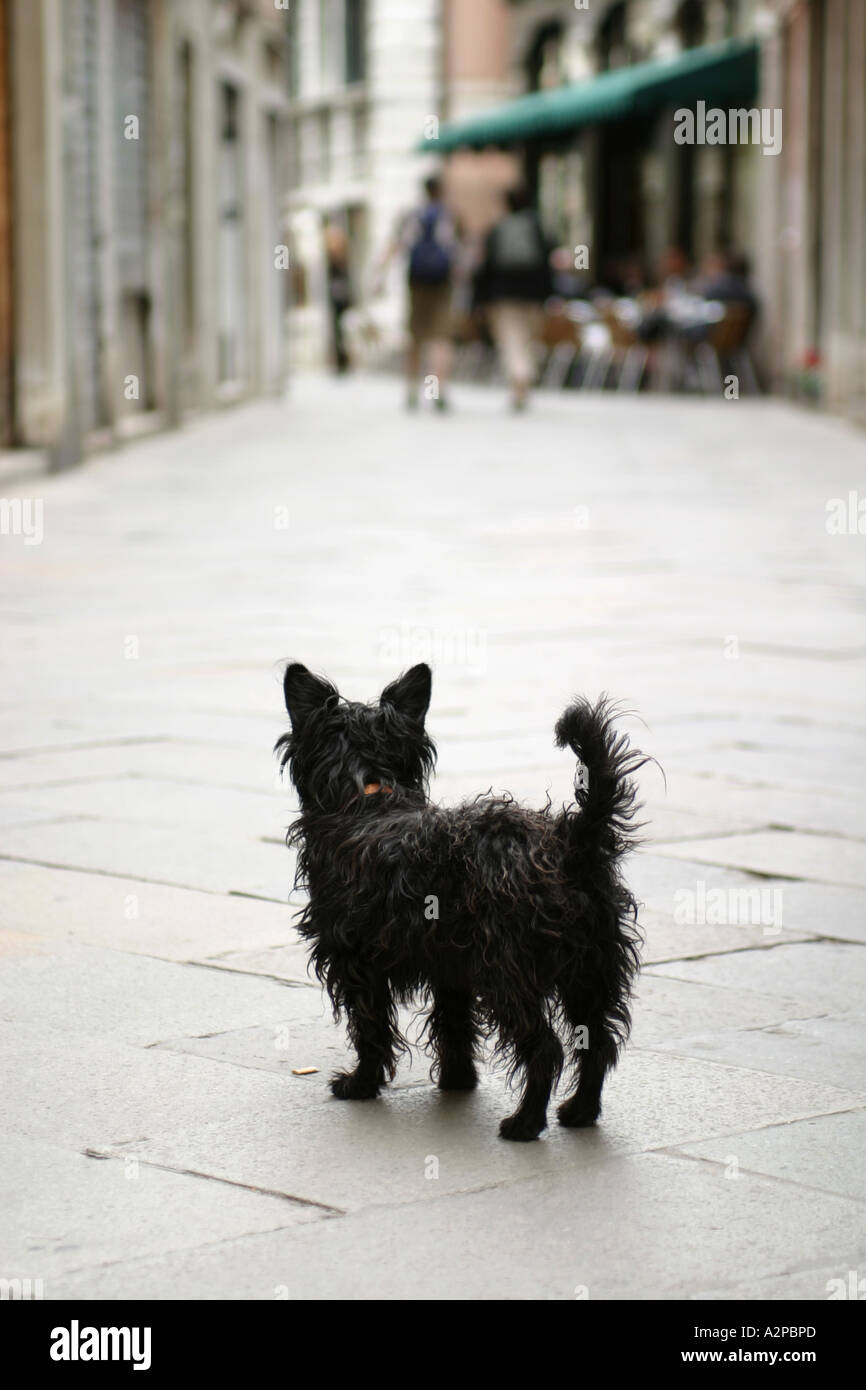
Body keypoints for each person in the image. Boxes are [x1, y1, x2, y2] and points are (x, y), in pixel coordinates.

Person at [473, 185, 553, 411]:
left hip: (504, 292)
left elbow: (485, 267)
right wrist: (549, 294)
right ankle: (524, 380)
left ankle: (519, 379)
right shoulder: (536, 228)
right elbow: (547, 264)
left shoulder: (498, 229)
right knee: (528, 338)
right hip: (533, 293)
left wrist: (480, 299)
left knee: (511, 339)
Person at [384, 175, 459, 411]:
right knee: (441, 337)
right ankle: (439, 388)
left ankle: (412, 388)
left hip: (416, 282)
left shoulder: (412, 215)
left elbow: (397, 246)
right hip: (442, 283)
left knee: (416, 336)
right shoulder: (449, 216)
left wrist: (379, 274)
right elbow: (459, 252)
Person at [323, 222, 353, 375]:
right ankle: (341, 360)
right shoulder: (337, 258)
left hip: (340, 298)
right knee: (338, 330)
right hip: (338, 298)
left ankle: (344, 360)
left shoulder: (339, 258)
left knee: (341, 330)